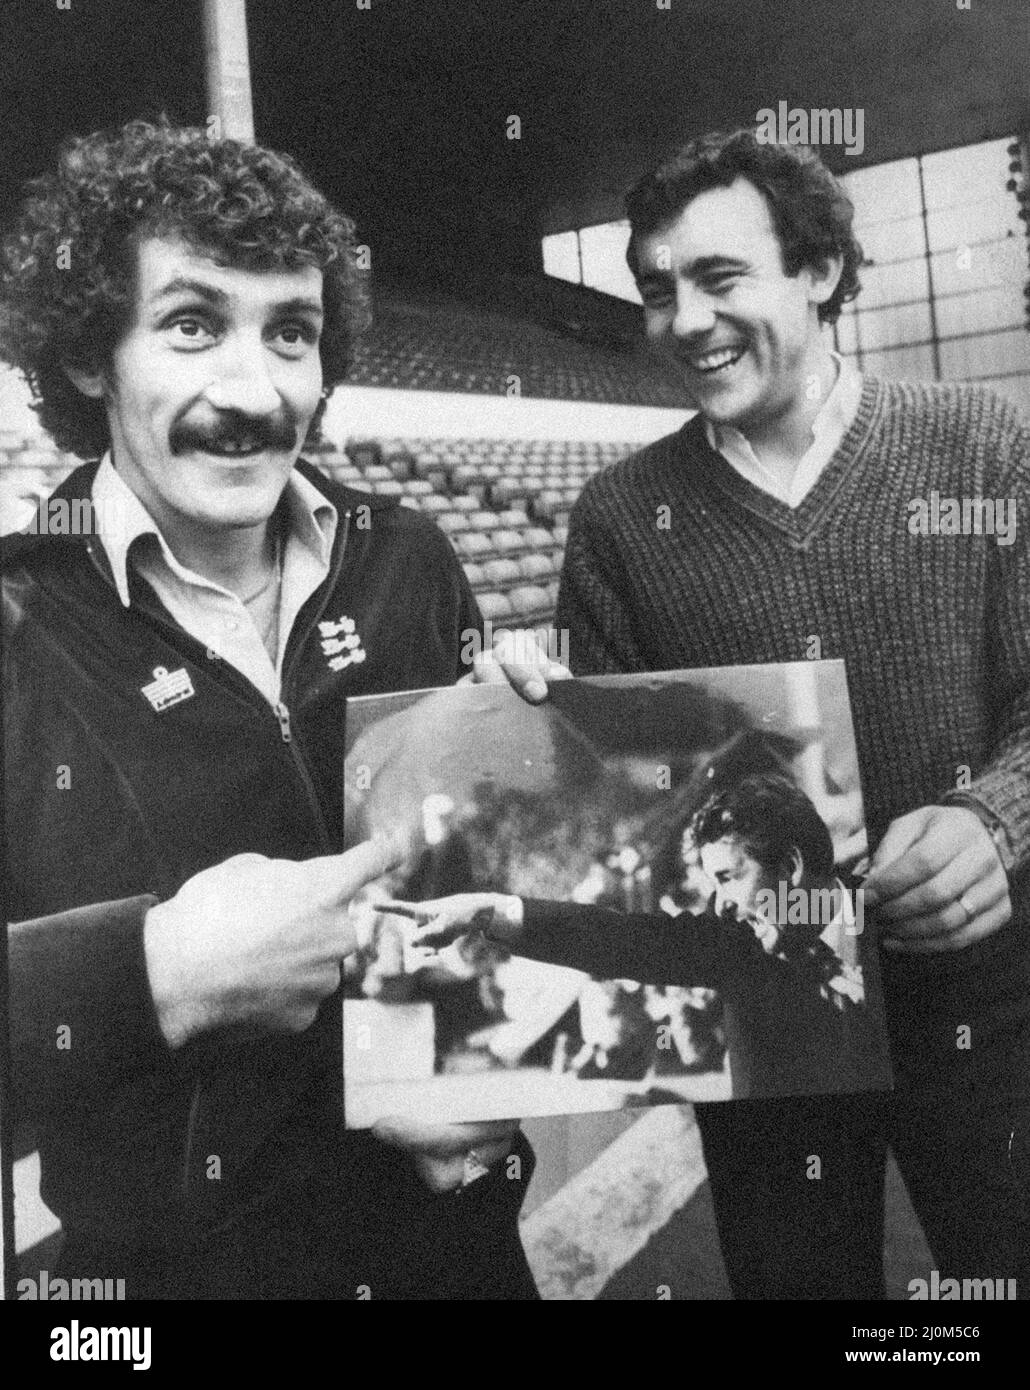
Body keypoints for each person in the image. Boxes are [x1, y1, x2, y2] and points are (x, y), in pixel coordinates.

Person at [0, 119, 561, 1300]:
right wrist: (150, 974)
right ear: (92, 354)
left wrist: (537, 780)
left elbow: (457, 914)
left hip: (448, 1255)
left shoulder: (404, 555)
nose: (252, 392)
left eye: (291, 334)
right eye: (193, 324)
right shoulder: (17, 620)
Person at [511, 129, 1030, 1299]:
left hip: (988, 998)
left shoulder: (984, 448)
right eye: (655, 290)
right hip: (766, 1021)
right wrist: (548, 740)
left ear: (821, 273)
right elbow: (620, 802)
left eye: (718, 278)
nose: (683, 319)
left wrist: (997, 820)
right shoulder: (617, 519)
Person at [386, 773, 891, 1101]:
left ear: (793, 867)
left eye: (728, 878)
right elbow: (618, 939)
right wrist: (489, 911)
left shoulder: (896, 923)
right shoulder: (737, 943)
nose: (720, 903)